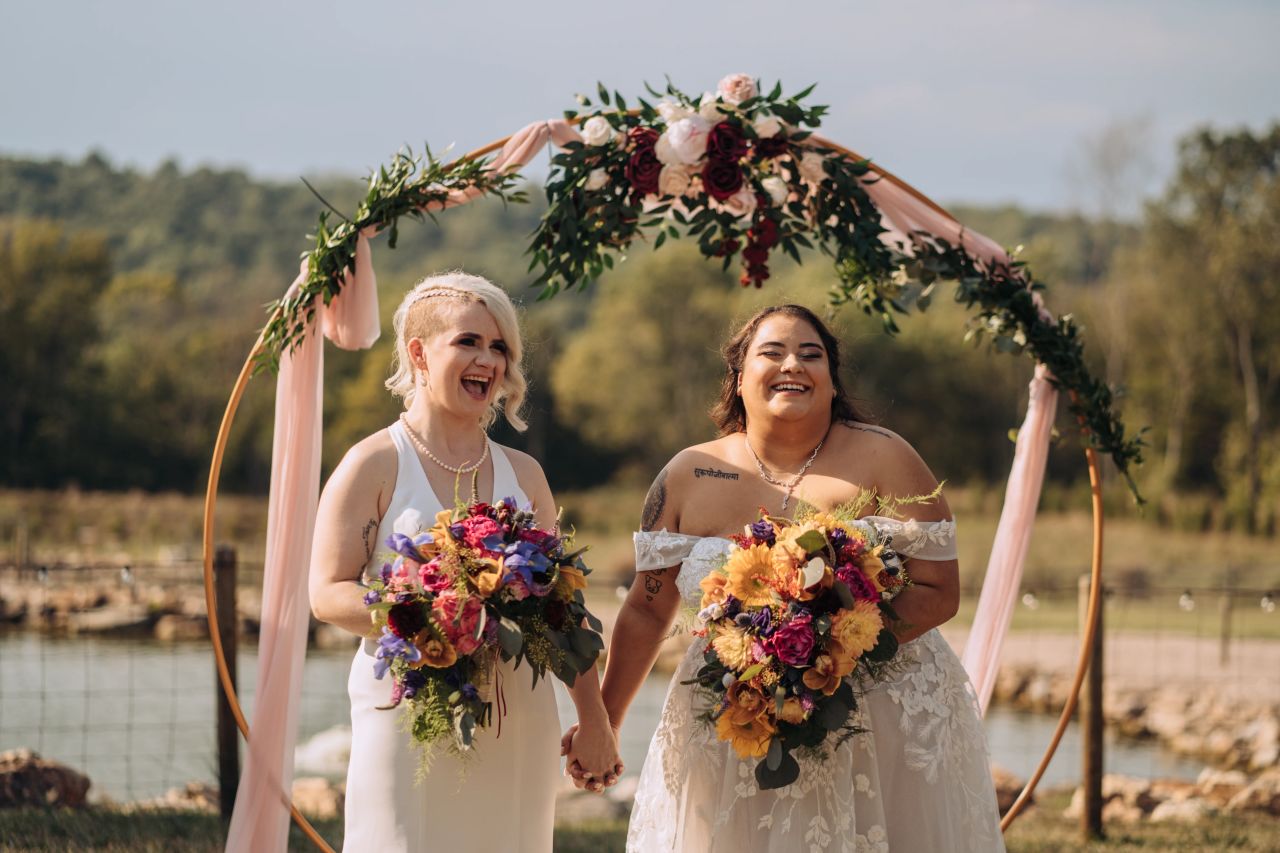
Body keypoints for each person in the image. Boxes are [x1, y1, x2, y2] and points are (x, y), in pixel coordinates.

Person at [597, 304, 1006, 852]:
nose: (793, 364)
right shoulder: (687, 474)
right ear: (739, 380)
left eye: (811, 355)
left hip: (878, 722)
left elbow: (940, 591)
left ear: (832, 384)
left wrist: (828, 645)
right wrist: (605, 724)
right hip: (733, 717)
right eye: (772, 352)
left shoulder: (887, 456)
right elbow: (648, 611)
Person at [309, 272, 621, 852]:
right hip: (411, 713)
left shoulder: (525, 476)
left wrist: (595, 719)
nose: (488, 360)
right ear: (419, 352)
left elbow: (563, 608)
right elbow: (327, 593)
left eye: (500, 347)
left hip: (521, 717)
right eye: (469, 342)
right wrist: (430, 614)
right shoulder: (372, 463)